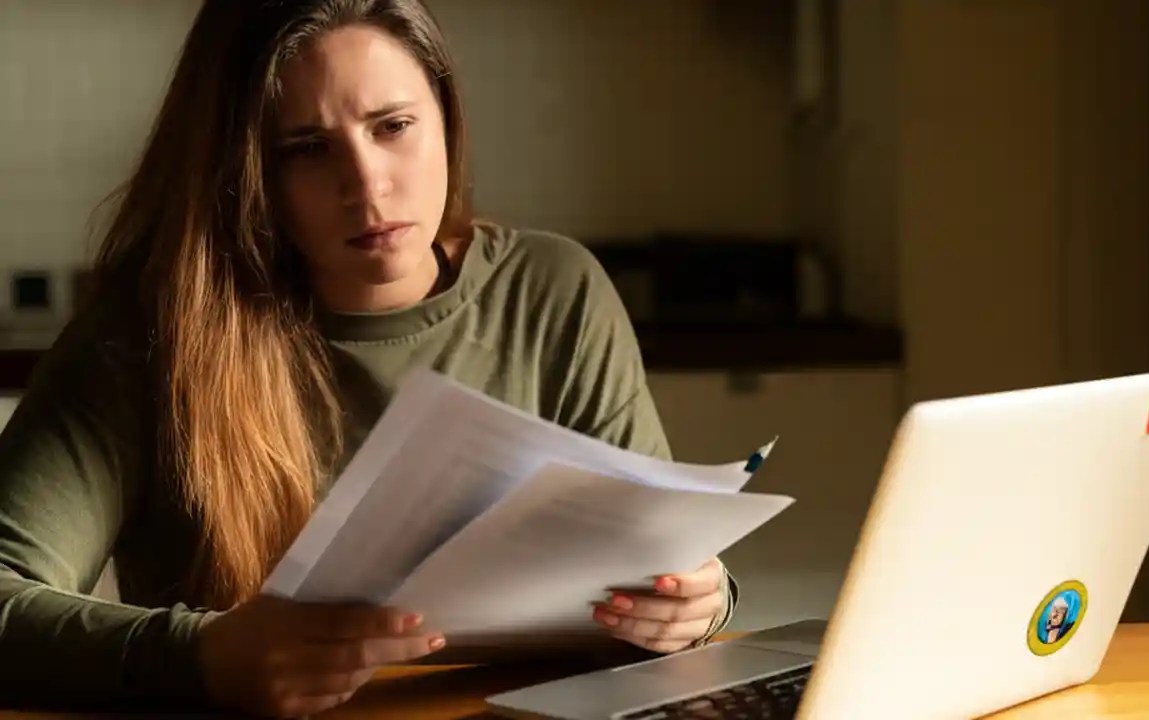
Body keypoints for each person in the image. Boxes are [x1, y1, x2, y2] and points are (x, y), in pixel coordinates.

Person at [0, 1, 738, 716]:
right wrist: (202, 656)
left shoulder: (553, 291)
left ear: (446, 119)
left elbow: (658, 559)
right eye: (308, 149)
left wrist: (699, 602)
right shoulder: (145, 334)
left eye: (393, 126)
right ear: (244, 172)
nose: (368, 184)